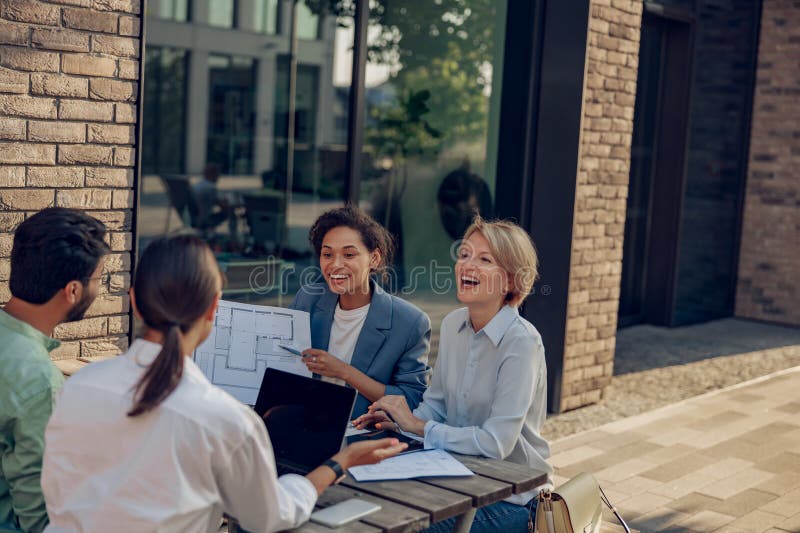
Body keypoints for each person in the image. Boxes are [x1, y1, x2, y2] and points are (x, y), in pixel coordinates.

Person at [41, 234, 406, 533]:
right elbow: (269, 516)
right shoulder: (225, 420)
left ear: (134, 302)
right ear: (214, 309)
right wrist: (341, 462)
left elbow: (56, 491)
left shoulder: (79, 386)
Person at [353, 216, 553, 533]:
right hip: (456, 475)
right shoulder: (452, 324)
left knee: (409, 527)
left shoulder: (522, 343)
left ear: (511, 281)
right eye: (465, 254)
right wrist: (399, 422)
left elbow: (495, 444)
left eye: (485, 259)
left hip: (512, 498)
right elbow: (437, 404)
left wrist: (418, 426)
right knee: (365, 501)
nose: (467, 265)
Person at [0, 208, 109, 533]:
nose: (99, 289)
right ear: (73, 290)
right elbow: (41, 521)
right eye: (99, 279)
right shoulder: (38, 382)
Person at [290, 206, 431, 417]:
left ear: (374, 259)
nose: (336, 265)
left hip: (361, 432)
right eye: (327, 254)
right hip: (303, 422)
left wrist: (343, 371)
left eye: (349, 254)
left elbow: (411, 399)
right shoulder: (308, 299)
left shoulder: (410, 322)